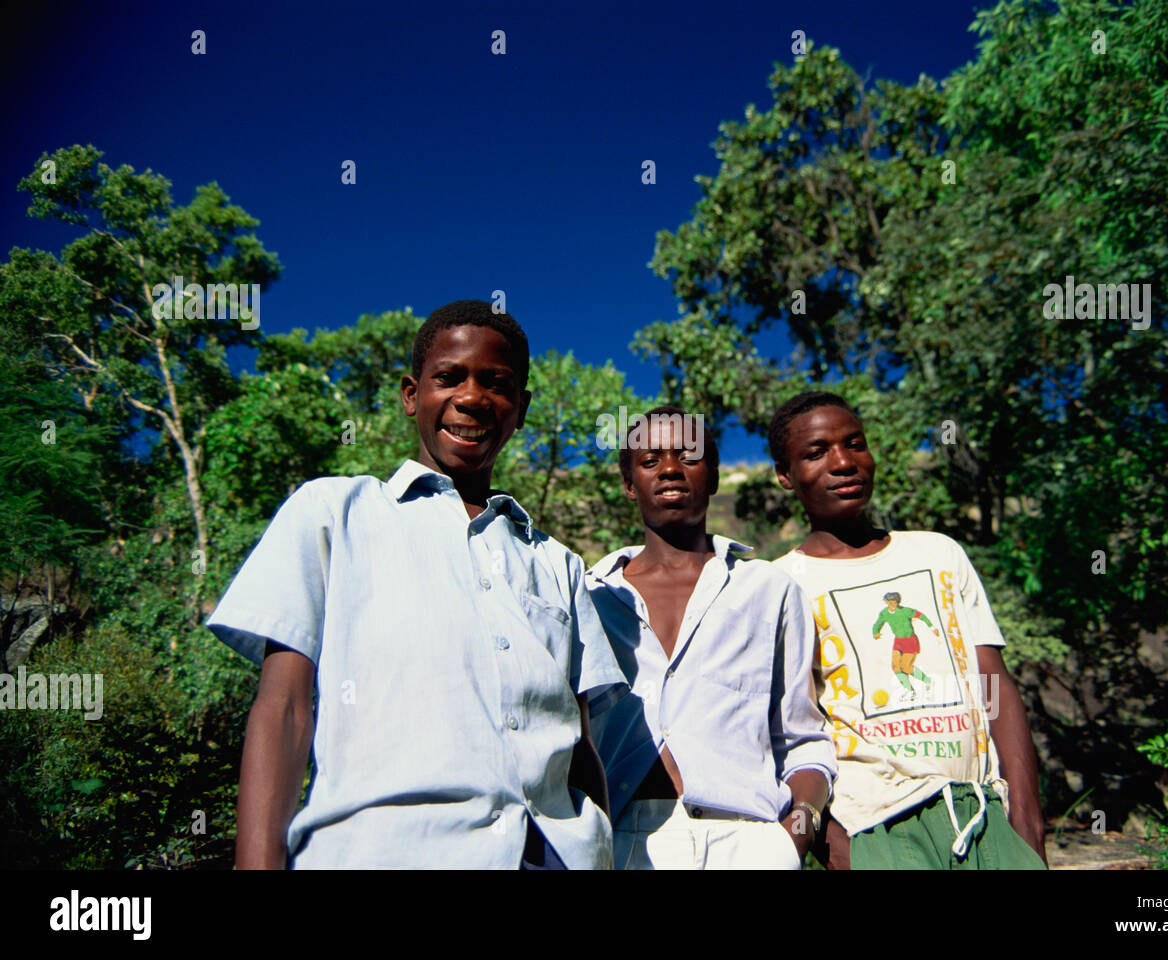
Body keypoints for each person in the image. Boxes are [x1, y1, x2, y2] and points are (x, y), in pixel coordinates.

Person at [207, 299, 626, 869]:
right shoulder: (334, 514)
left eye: (496, 383)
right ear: (412, 394)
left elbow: (579, 747)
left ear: (521, 408)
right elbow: (284, 707)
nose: (473, 397)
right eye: (449, 377)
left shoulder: (560, 564)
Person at [767, 391, 1047, 870]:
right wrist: (836, 848)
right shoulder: (779, 584)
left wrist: (1027, 826)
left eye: (855, 444)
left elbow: (994, 684)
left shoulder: (938, 554)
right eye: (816, 453)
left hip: (984, 815)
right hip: (878, 830)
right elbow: (780, 730)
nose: (843, 462)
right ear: (786, 475)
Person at [585, 405, 835, 869]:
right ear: (627, 483)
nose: (671, 470)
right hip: (620, 843)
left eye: (689, 456)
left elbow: (803, 737)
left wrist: (793, 837)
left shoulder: (769, 589)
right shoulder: (589, 598)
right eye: (650, 460)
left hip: (749, 841)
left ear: (715, 475)